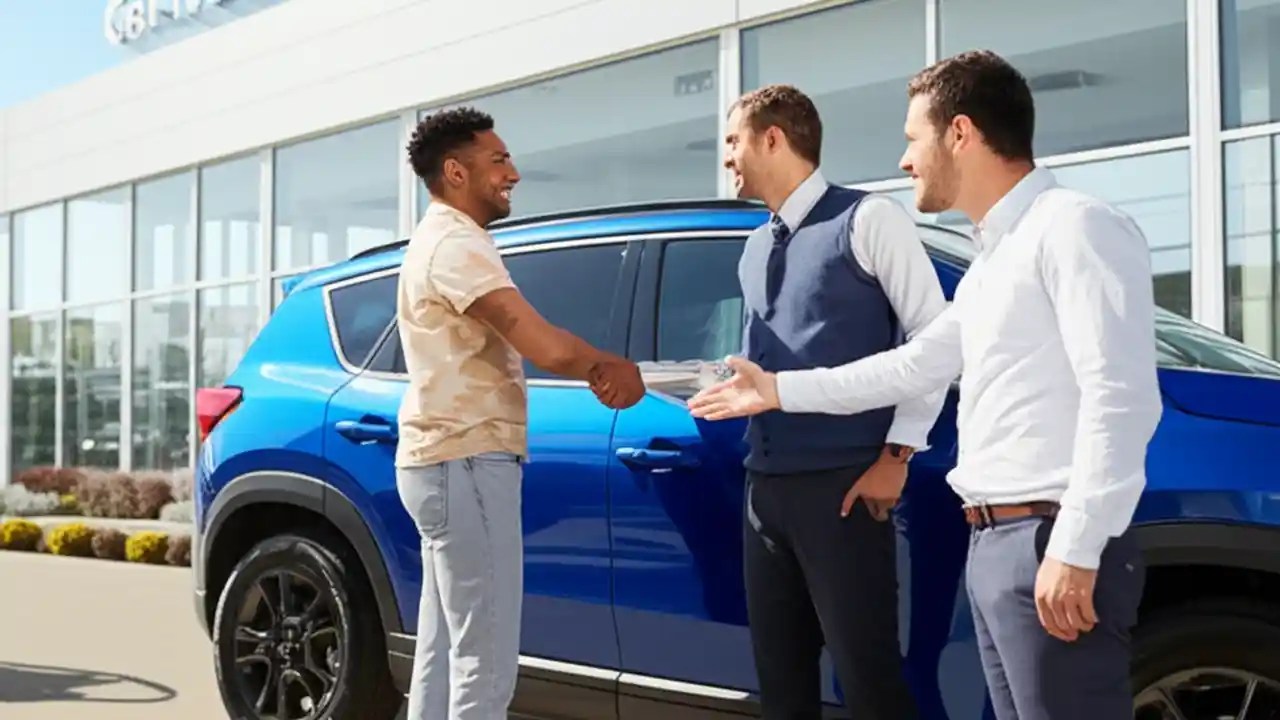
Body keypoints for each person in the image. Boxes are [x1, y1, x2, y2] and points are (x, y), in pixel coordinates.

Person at [689, 51, 1162, 720]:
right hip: (995, 542)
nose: (905, 160)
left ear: (960, 133)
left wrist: (1076, 546)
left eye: (914, 139)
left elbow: (1121, 395)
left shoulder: (1073, 224)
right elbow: (913, 365)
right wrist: (776, 392)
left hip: (1047, 539)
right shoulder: (994, 261)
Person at [397, 106, 645, 720]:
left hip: (443, 462)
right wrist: (608, 365)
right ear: (456, 172)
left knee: (444, 650)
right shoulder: (455, 243)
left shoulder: (442, 238)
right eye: (499, 160)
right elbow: (542, 343)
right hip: (466, 459)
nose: (513, 173)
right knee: (483, 659)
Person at [719, 84, 948, 719]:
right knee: (782, 685)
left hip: (845, 489)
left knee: (868, 681)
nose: (727, 157)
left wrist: (898, 454)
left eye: (734, 141)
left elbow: (935, 340)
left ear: (773, 139)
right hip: (764, 492)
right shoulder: (753, 247)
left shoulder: (869, 220)